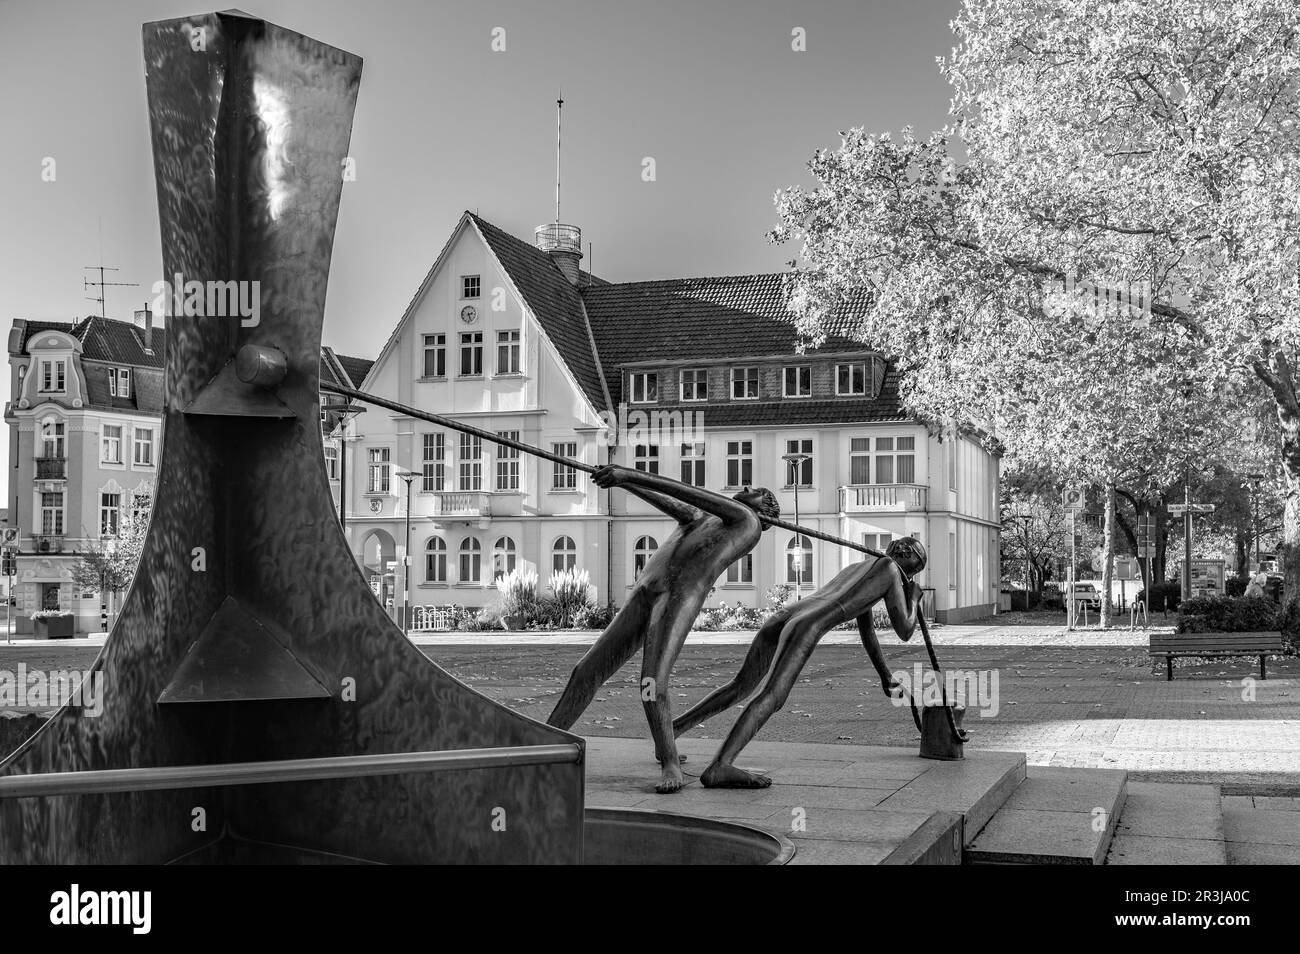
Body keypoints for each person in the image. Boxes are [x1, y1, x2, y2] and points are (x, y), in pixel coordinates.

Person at [547, 464, 778, 793]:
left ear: (763, 506)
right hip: (646, 590)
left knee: (652, 682)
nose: (746, 484)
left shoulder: (747, 522)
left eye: (755, 487)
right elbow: (673, 503)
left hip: (676, 598)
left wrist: (628, 475)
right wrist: (623, 485)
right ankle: (547, 741)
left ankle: (670, 762)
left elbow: (688, 493)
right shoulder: (706, 518)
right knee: (586, 670)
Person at [671, 537, 928, 788]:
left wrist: (885, 675)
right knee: (773, 696)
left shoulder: (862, 567)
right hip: (806, 626)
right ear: (910, 562)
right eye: (915, 564)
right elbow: (905, 629)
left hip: (785, 617)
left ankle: (669, 734)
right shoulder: (890, 570)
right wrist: (914, 599)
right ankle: (720, 765)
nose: (911, 572)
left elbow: (868, 633)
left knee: (740, 685)